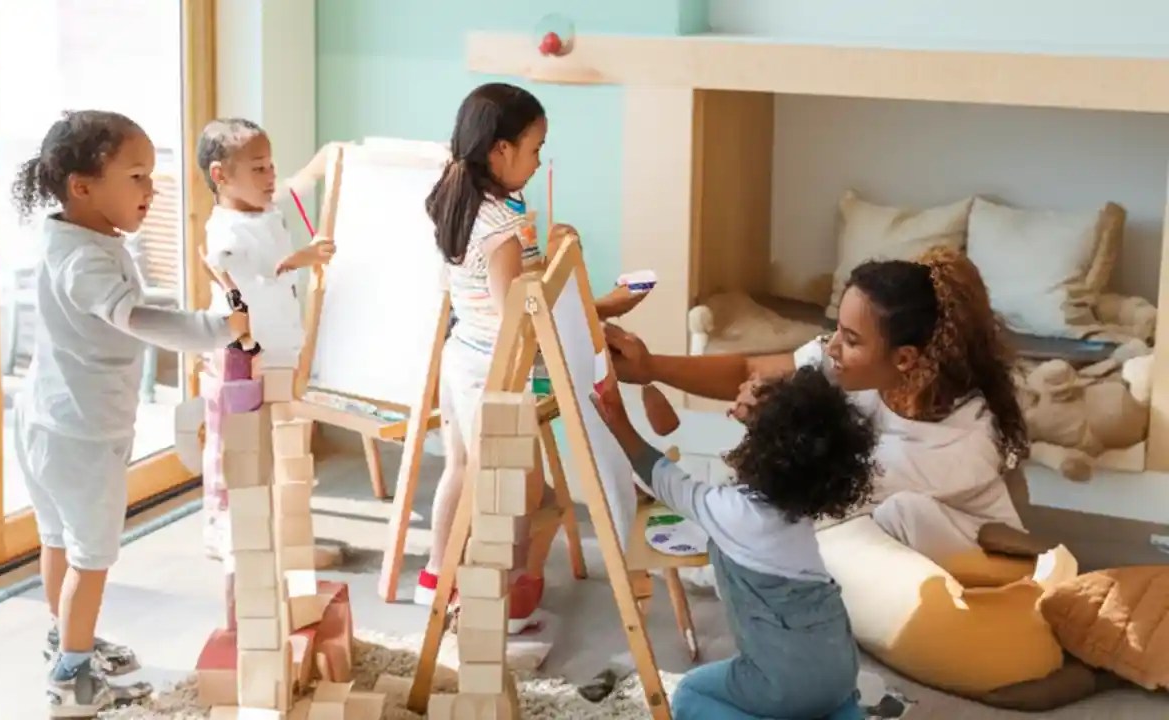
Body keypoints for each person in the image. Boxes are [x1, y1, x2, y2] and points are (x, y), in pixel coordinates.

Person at [12, 110, 248, 717]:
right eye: (138, 176)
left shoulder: (74, 236)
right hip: (82, 433)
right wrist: (214, 329)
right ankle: (70, 676)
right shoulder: (87, 261)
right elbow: (132, 316)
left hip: (47, 418)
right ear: (82, 188)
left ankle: (66, 639)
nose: (152, 190)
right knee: (92, 558)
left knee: (58, 540)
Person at [605, 247, 1030, 562]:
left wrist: (770, 421)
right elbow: (751, 368)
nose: (833, 348)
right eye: (837, 331)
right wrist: (650, 367)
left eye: (852, 339)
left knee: (779, 539)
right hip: (872, 512)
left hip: (968, 559)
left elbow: (818, 491)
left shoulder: (957, 444)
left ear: (904, 358)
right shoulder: (860, 367)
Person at [419, 82, 645, 626]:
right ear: (500, 150)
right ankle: (501, 598)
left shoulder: (471, 199)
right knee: (513, 495)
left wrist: (555, 252)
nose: (540, 161)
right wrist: (599, 303)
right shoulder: (497, 229)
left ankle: (436, 574)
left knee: (463, 469)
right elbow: (517, 314)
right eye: (535, 149)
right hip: (496, 374)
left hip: (465, 357)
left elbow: (519, 287)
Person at [592, 366, 873, 720]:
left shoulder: (735, 513)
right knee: (823, 701)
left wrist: (617, 419)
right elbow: (797, 432)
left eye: (758, 388)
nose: (749, 383)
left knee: (691, 694)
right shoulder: (797, 509)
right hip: (840, 671)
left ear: (762, 443)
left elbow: (665, 479)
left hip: (785, 682)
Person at [194, 117, 340, 559]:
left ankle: (277, 529)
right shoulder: (226, 230)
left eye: (271, 166)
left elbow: (296, 183)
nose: (270, 176)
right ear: (221, 176)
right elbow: (244, 282)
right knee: (233, 442)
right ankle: (223, 526)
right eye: (259, 168)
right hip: (241, 356)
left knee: (275, 448)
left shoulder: (261, 210)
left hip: (277, 349)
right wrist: (300, 259)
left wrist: (323, 161)